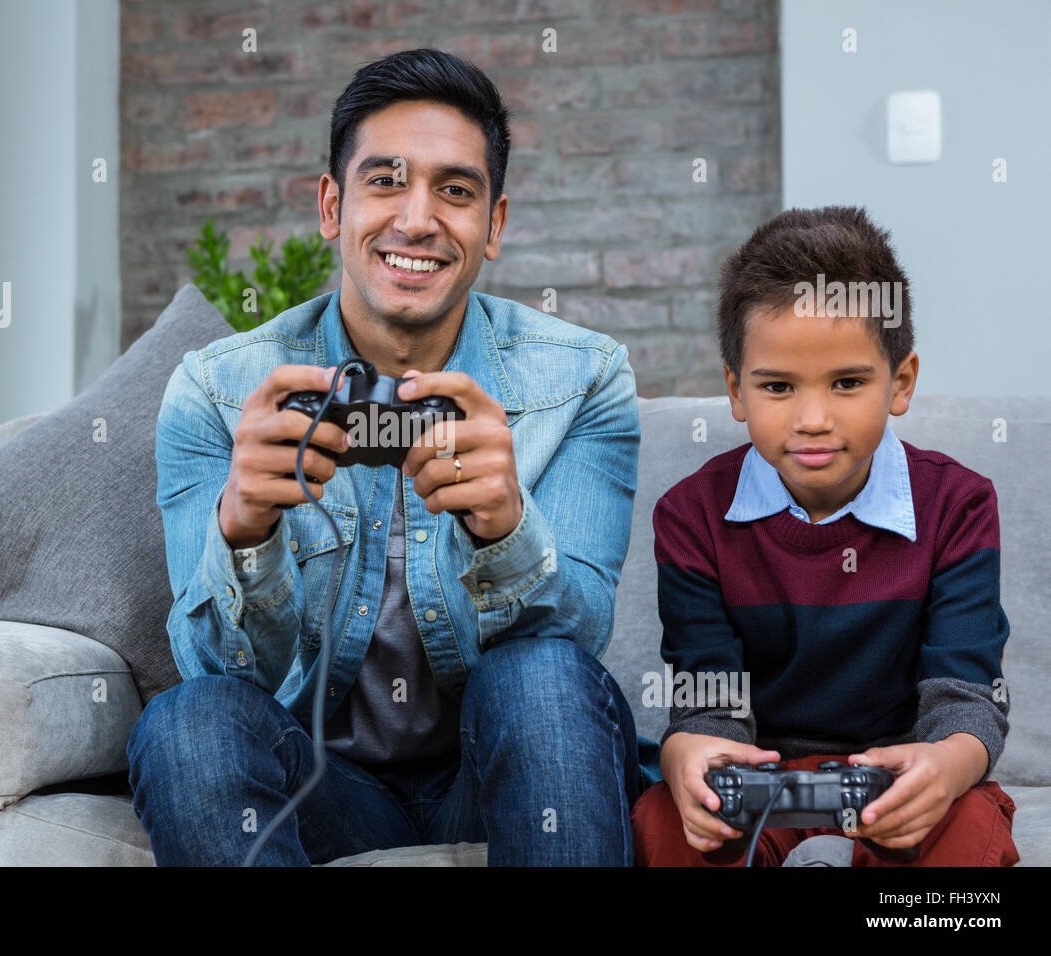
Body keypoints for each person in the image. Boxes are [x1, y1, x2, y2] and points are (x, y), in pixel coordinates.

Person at [128, 48, 647, 866]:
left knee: (539, 678)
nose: (417, 219)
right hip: (325, 788)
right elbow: (215, 673)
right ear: (332, 206)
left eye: (455, 190)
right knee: (186, 722)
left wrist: (507, 529)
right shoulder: (219, 392)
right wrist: (244, 532)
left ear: (495, 225)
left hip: (497, 770)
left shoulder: (586, 379)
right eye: (386, 181)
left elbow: (579, 642)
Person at [632, 206, 1018, 866]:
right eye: (778, 386)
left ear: (900, 383)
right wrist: (686, 753)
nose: (812, 418)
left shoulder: (958, 504)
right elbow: (709, 702)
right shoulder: (691, 514)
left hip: (898, 776)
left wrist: (946, 766)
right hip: (759, 781)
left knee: (970, 819)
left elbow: (966, 696)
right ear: (736, 391)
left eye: (847, 383)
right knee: (664, 816)